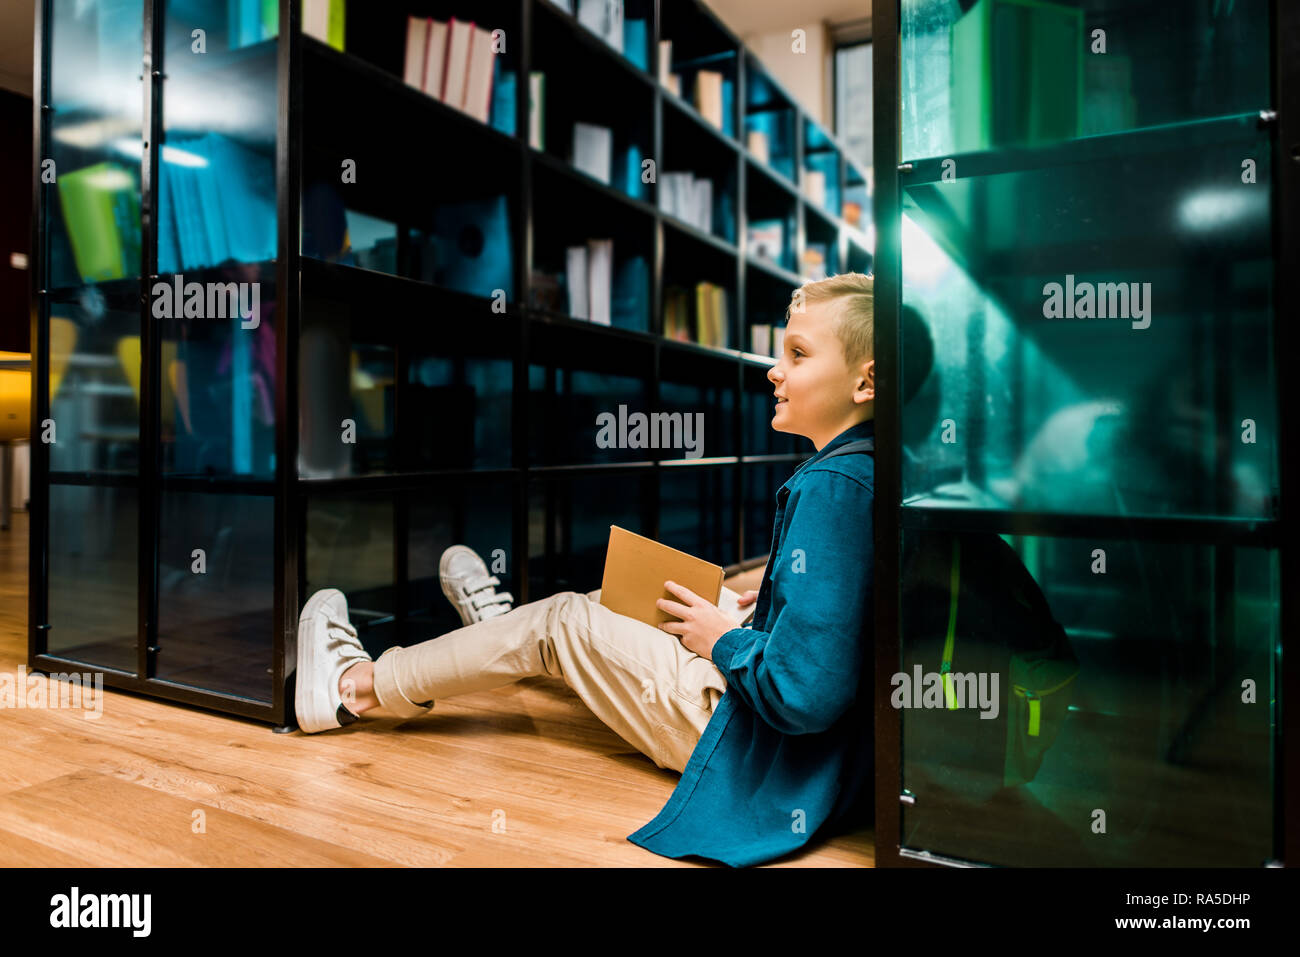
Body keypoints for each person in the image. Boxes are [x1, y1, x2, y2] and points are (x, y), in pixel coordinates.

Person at [293, 272, 881, 867]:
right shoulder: (867, 470)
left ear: (867, 380)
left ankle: (353, 689)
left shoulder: (833, 485)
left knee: (561, 620)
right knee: (608, 600)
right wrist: (769, 616)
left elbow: (804, 694)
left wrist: (723, 639)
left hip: (758, 745)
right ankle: (501, 635)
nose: (774, 370)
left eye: (798, 354)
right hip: (803, 751)